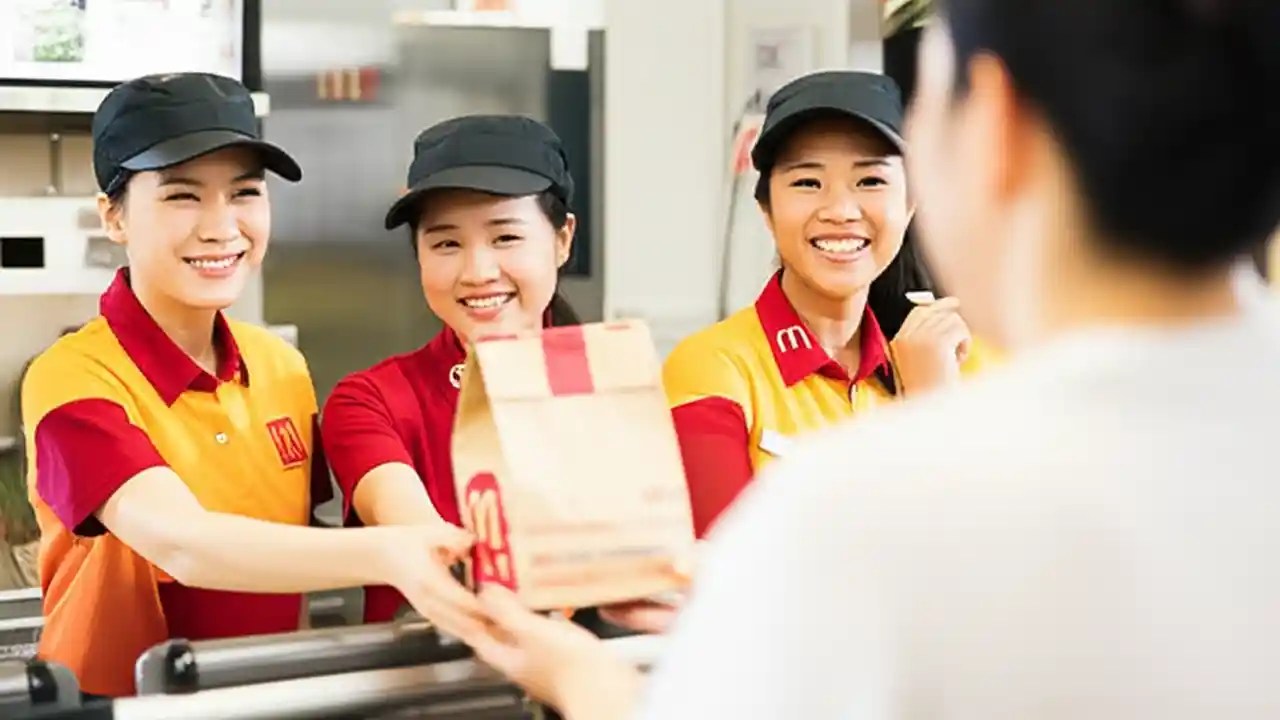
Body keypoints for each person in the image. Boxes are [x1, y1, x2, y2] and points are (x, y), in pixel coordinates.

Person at [466, 0, 1280, 717]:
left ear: (993, 123)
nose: (842, 210)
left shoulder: (860, 508)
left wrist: (585, 683)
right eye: (807, 182)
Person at [20, 74, 483, 698]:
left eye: (244, 193)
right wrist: (396, 552)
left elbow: (290, 549)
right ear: (115, 217)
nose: (221, 227)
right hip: (120, 709)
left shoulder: (280, 366)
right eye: (183, 196)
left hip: (265, 696)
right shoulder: (72, 377)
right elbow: (184, 544)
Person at [664, 70, 991, 539]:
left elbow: (985, 556)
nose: (840, 210)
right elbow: (727, 572)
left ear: (911, 204)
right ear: (767, 211)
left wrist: (934, 395)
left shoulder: (950, 359)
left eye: (871, 180)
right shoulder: (711, 368)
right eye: (807, 183)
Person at [320, 115, 581, 625]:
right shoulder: (371, 402)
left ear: (562, 239)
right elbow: (429, 549)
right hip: (435, 692)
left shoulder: (615, 389)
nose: (478, 271)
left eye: (505, 237)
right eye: (446, 243)